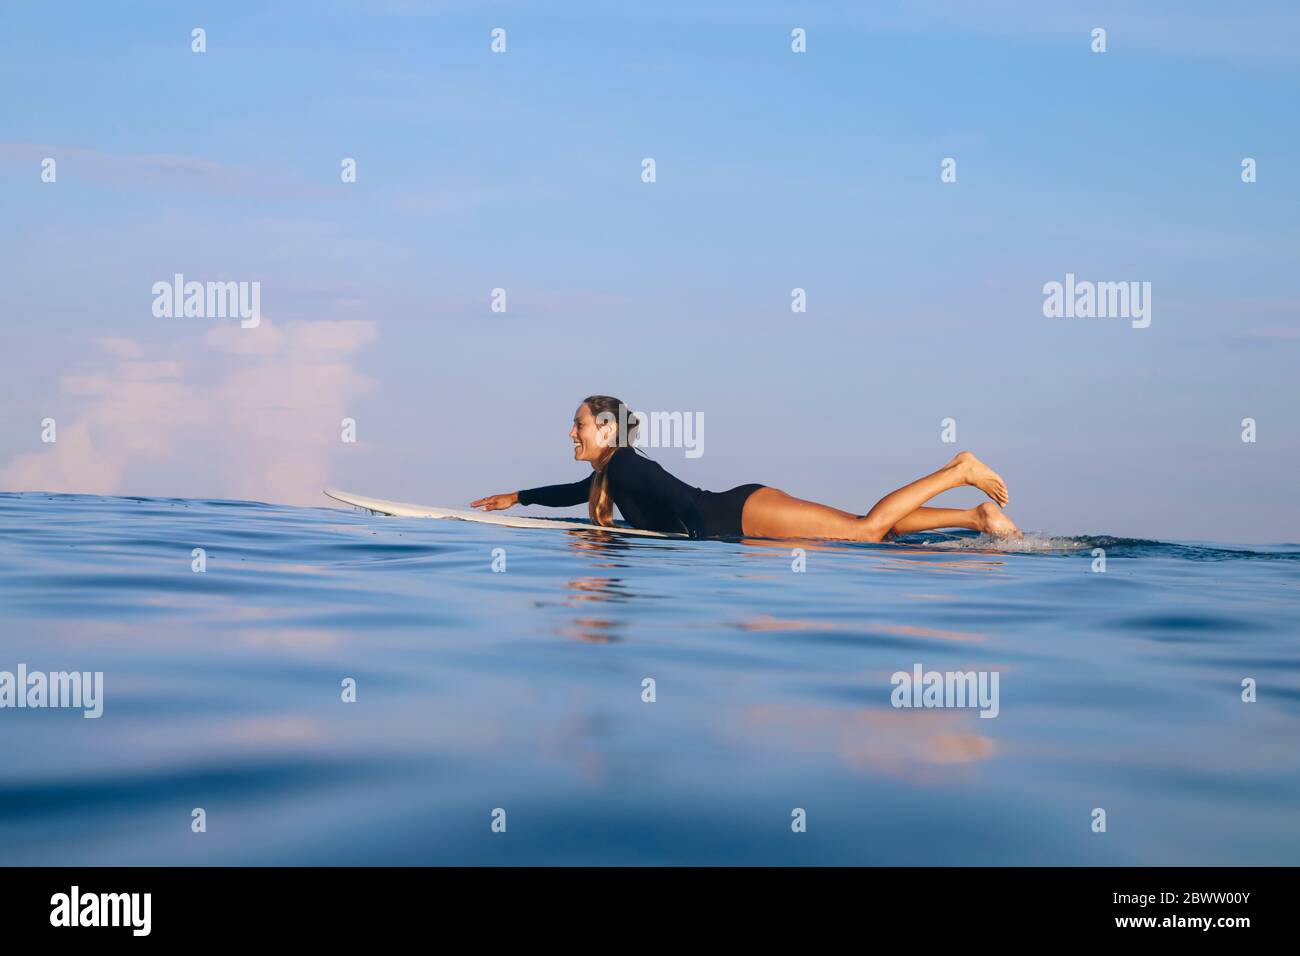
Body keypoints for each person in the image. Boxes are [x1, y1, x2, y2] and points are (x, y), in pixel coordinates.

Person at [471, 395, 1021, 541]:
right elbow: (574, 490)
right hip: (740, 518)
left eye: (581, 425)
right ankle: (975, 519)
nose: (573, 433)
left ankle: (957, 469)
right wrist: (517, 497)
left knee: (864, 532)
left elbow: (679, 500)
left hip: (736, 515)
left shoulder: (629, 468)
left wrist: (696, 536)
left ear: (608, 431)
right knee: (865, 529)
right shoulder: (609, 473)